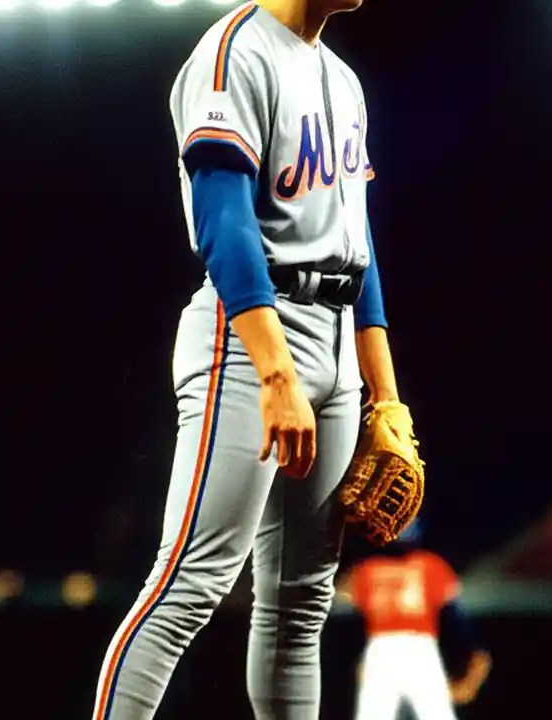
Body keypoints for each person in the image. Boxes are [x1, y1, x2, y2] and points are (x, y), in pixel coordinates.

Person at [91, 1, 413, 718]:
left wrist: (387, 398)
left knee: (303, 601)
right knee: (188, 585)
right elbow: (224, 222)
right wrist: (275, 374)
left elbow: (360, 249)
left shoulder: (343, 78)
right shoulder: (233, 51)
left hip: (336, 337)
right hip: (250, 333)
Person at [340, 520, 492, 720]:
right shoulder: (430, 564)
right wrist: (470, 649)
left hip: (383, 650)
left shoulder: (366, 570)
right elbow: (455, 618)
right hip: (416, 649)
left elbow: (348, 622)